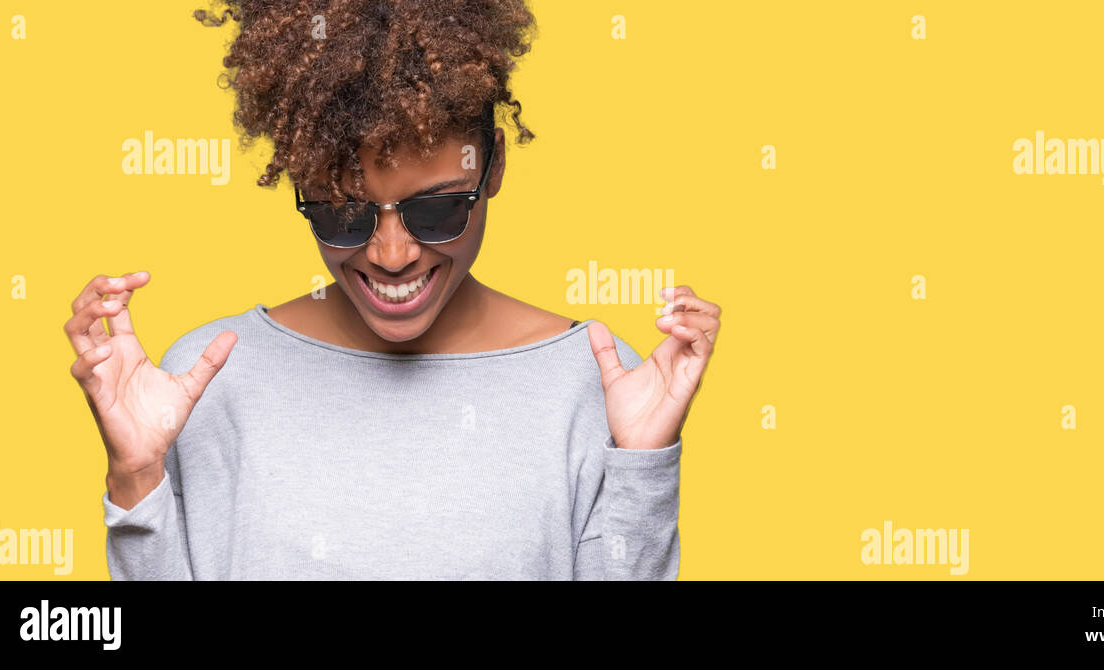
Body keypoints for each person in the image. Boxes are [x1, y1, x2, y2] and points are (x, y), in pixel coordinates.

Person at [63, 0, 720, 579]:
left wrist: (644, 470)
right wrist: (136, 477)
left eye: (435, 210)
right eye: (343, 214)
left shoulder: (597, 385)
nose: (392, 254)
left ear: (493, 165)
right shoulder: (206, 382)